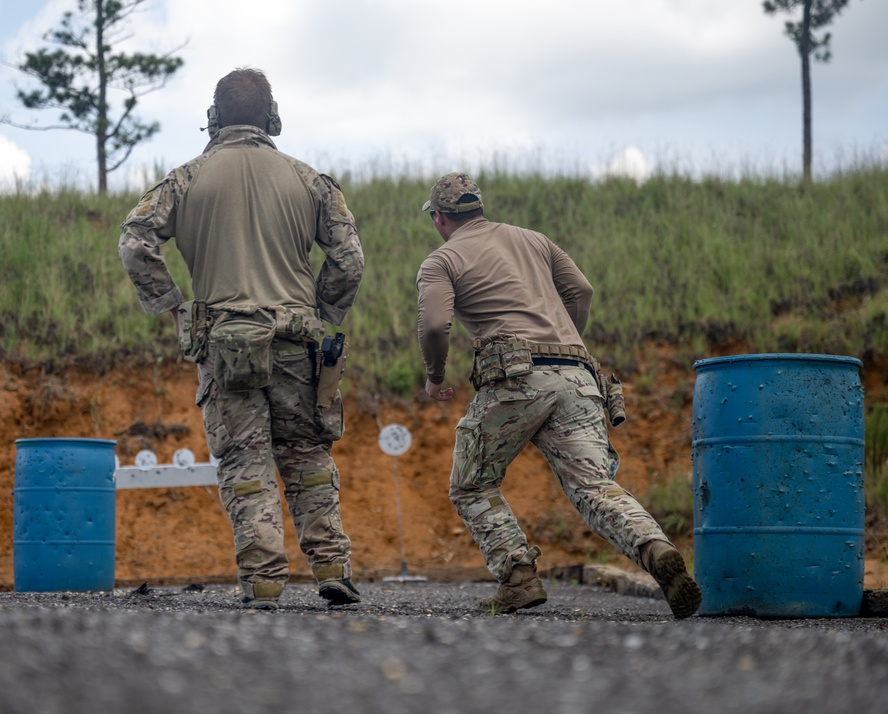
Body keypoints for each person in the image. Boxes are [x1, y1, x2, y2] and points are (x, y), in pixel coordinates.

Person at [119, 67, 364, 611]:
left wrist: (172, 306)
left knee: (245, 462)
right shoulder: (311, 181)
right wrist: (320, 308)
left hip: (225, 345)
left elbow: (135, 242)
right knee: (307, 456)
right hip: (297, 342)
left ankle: (264, 582)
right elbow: (349, 258)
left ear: (213, 119)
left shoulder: (184, 180)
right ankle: (332, 569)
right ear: (273, 118)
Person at [416, 172, 701, 618]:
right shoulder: (535, 240)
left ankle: (518, 578)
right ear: (478, 208)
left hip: (515, 382)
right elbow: (581, 290)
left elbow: (435, 326)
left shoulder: (442, 260)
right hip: (579, 378)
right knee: (593, 485)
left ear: (439, 218)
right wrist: (566, 345)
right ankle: (655, 549)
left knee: (471, 484)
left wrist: (434, 376)